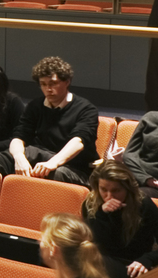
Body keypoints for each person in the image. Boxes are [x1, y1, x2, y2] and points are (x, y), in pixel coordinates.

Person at [81, 160, 158, 278]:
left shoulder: (143, 204)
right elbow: (94, 243)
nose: (109, 196)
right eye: (103, 189)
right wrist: (102, 215)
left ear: (128, 189)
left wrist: (147, 260)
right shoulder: (91, 204)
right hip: (100, 264)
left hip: (132, 267)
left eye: (116, 190)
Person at [11, 56, 100, 185]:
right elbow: (19, 136)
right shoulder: (35, 106)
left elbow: (79, 141)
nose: (48, 89)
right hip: (41, 158)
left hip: (75, 167)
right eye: (43, 84)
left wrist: (53, 162)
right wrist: (19, 158)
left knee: (55, 173)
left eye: (53, 83)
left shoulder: (86, 109)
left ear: (67, 82)